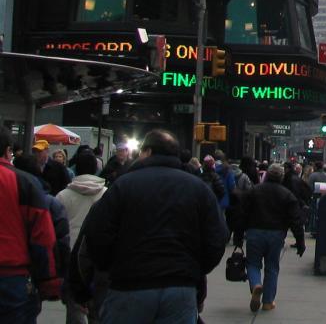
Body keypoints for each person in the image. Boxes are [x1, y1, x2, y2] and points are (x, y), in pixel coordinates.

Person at [82, 129, 227, 324]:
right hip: (180, 287)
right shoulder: (198, 188)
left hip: (128, 285)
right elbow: (217, 236)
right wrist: (196, 268)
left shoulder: (122, 185)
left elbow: (97, 233)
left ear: (148, 152)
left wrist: (111, 266)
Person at [0, 127, 61, 323]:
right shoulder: (24, 182)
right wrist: (48, 281)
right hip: (12, 278)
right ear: (8, 151)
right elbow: (42, 237)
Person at [232, 163, 305, 314]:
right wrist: (300, 241)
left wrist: (238, 238)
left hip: (254, 232)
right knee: (272, 267)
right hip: (276, 234)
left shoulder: (254, 191)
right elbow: (295, 220)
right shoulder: (287, 195)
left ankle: (256, 285)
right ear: (281, 177)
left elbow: (241, 215)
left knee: (252, 264)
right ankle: (268, 301)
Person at [55, 152, 106, 324]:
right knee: (98, 310)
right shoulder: (108, 194)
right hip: (98, 256)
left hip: (70, 255)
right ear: (96, 168)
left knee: (74, 306)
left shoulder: (63, 196)